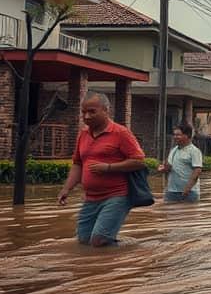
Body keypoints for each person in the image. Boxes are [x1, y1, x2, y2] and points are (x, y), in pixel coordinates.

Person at [57, 92, 147, 247]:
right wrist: (66, 188)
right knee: (83, 241)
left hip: (117, 196)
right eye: (83, 112)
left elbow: (139, 161)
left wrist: (109, 168)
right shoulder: (83, 134)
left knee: (99, 240)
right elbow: (78, 164)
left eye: (92, 111)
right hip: (91, 198)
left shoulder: (121, 133)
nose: (86, 116)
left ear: (106, 110)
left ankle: (127, 260)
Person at [160, 123, 203, 202]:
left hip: (189, 193)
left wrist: (187, 189)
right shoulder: (173, 150)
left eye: (178, 135)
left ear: (187, 136)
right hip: (171, 192)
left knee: (188, 214)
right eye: (174, 135)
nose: (175, 137)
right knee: (169, 213)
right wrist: (164, 168)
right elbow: (168, 168)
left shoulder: (194, 151)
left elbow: (197, 171)